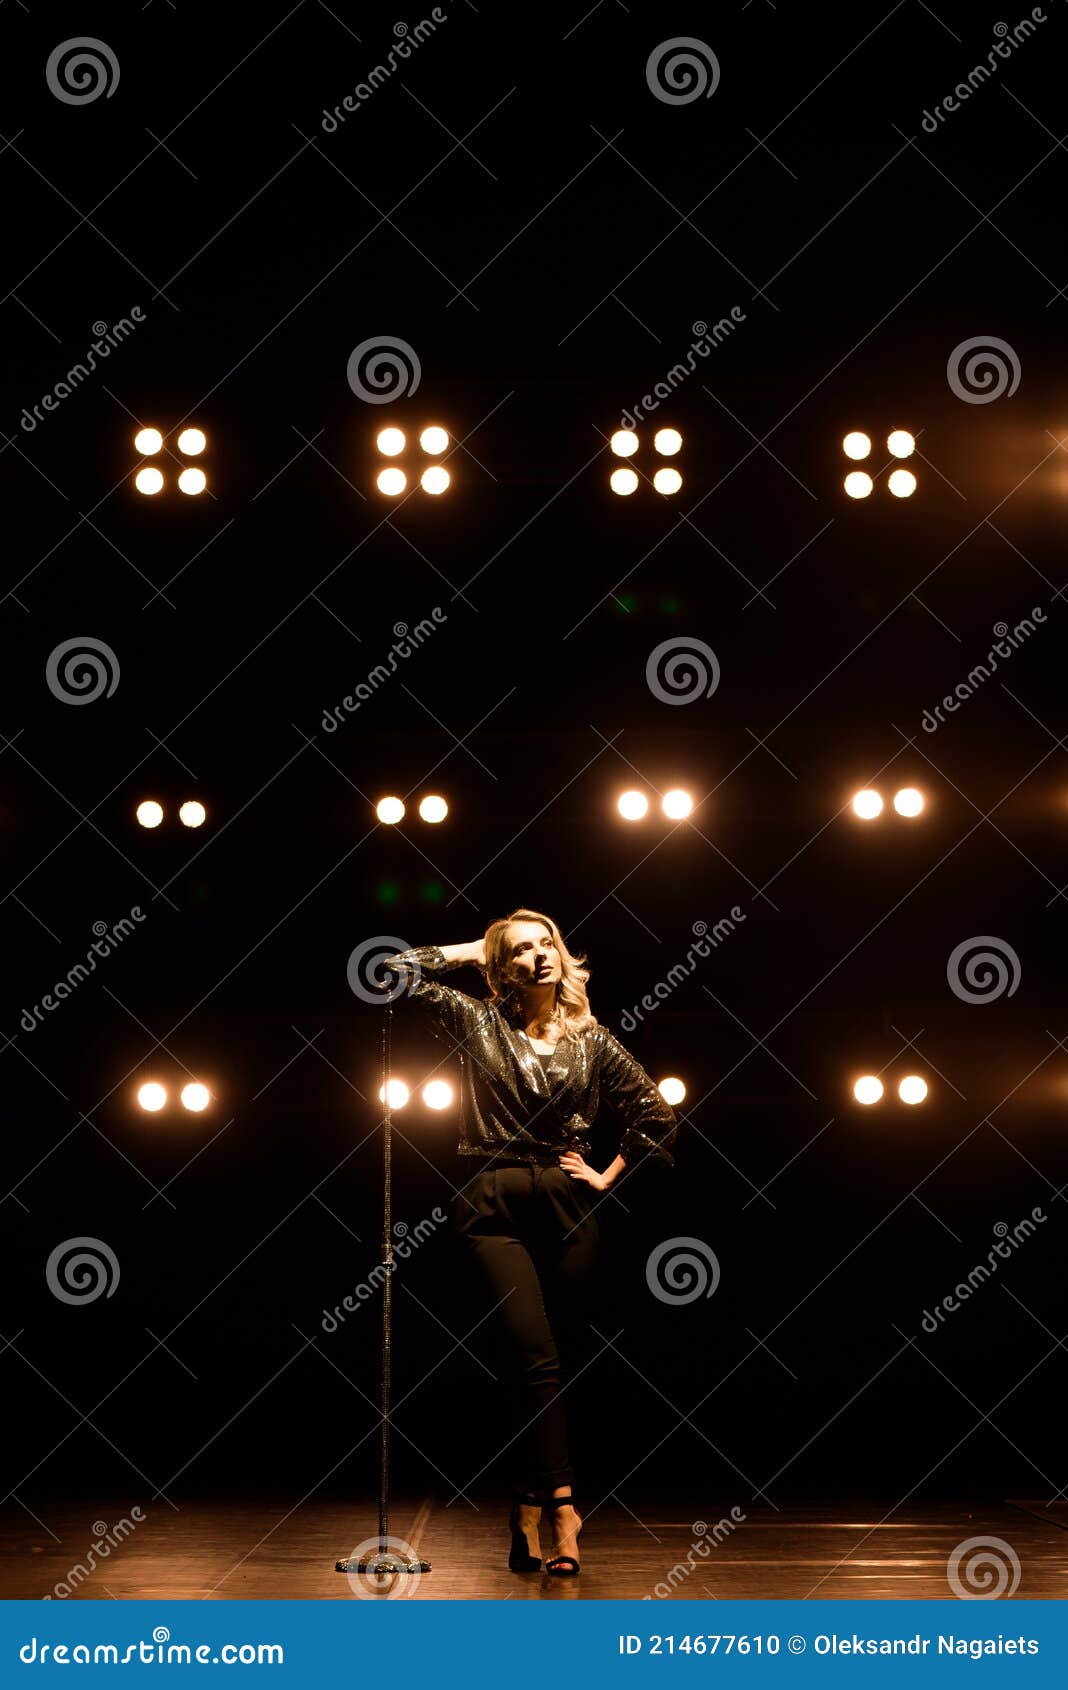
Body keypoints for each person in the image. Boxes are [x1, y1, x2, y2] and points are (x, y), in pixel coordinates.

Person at [382, 907, 677, 1577]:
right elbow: (393, 974)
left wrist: (605, 1174)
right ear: (501, 968)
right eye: (520, 951)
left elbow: (655, 1116)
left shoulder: (592, 1039)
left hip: (568, 1200)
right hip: (490, 1198)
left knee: (548, 1366)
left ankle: (523, 1501)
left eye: (548, 944)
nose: (540, 956)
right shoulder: (475, 1021)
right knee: (532, 1355)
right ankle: (564, 1510)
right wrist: (471, 949)